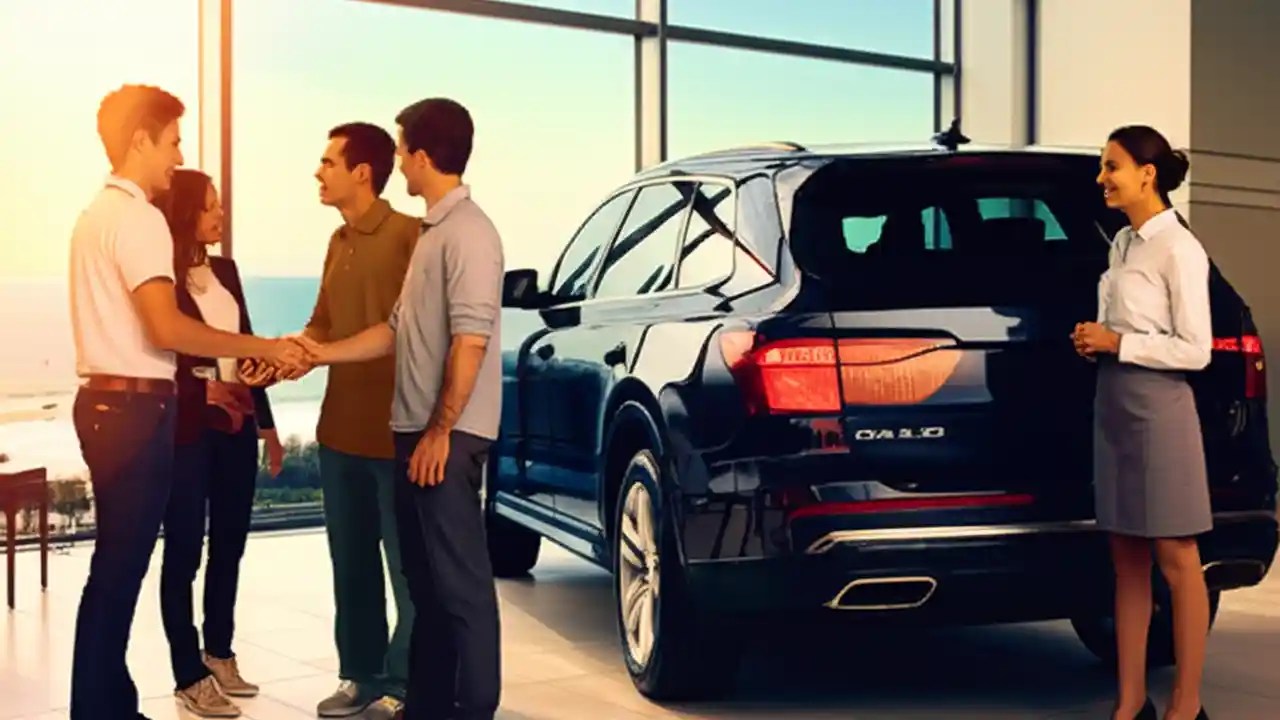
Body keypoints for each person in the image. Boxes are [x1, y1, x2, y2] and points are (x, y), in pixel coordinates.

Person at [68, 84, 308, 720]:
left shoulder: (95, 215)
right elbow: (166, 330)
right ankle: (100, 709)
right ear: (141, 139)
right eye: (173, 140)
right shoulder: (141, 217)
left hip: (104, 405)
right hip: (136, 411)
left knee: (113, 572)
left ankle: (105, 703)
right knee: (121, 573)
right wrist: (262, 343)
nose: (178, 154)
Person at [299, 97, 504, 720]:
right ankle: (430, 705)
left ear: (419, 156)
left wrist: (441, 430)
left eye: (401, 150)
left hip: (446, 436)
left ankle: (473, 708)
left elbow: (471, 339)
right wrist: (315, 355)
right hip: (413, 433)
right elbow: (390, 330)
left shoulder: (467, 233)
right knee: (428, 585)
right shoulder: (436, 234)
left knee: (460, 587)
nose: (398, 162)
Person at [1073, 125, 1213, 720]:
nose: (1102, 178)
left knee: (1176, 558)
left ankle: (1186, 704)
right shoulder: (1123, 245)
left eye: (1112, 167)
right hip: (1115, 405)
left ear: (1146, 174)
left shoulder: (1179, 248)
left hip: (1160, 410)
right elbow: (1124, 328)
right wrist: (1096, 342)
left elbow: (1196, 349)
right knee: (1125, 558)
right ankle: (1130, 704)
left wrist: (1119, 342)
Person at [292, 122, 421, 719]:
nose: (318, 172)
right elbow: (322, 324)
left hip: (394, 433)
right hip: (338, 431)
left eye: (327, 162)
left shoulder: (408, 236)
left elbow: (411, 331)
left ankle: (406, 680)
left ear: (361, 172)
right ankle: (359, 675)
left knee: (408, 569)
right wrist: (287, 357)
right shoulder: (337, 240)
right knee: (351, 562)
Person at [154, 168, 287, 717]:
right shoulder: (159, 280)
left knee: (230, 542)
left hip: (236, 431)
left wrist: (268, 427)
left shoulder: (226, 271)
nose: (220, 214)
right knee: (184, 548)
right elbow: (161, 356)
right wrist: (206, 389)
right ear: (187, 212)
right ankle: (188, 674)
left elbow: (245, 353)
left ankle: (219, 654)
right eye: (211, 206)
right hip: (187, 431)